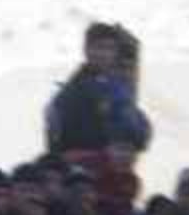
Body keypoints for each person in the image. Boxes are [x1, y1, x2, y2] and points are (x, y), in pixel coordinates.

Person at [46, 22, 139, 155]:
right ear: (86, 49)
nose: (104, 54)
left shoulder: (116, 87)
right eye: (99, 48)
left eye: (110, 48)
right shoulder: (72, 92)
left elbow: (139, 133)